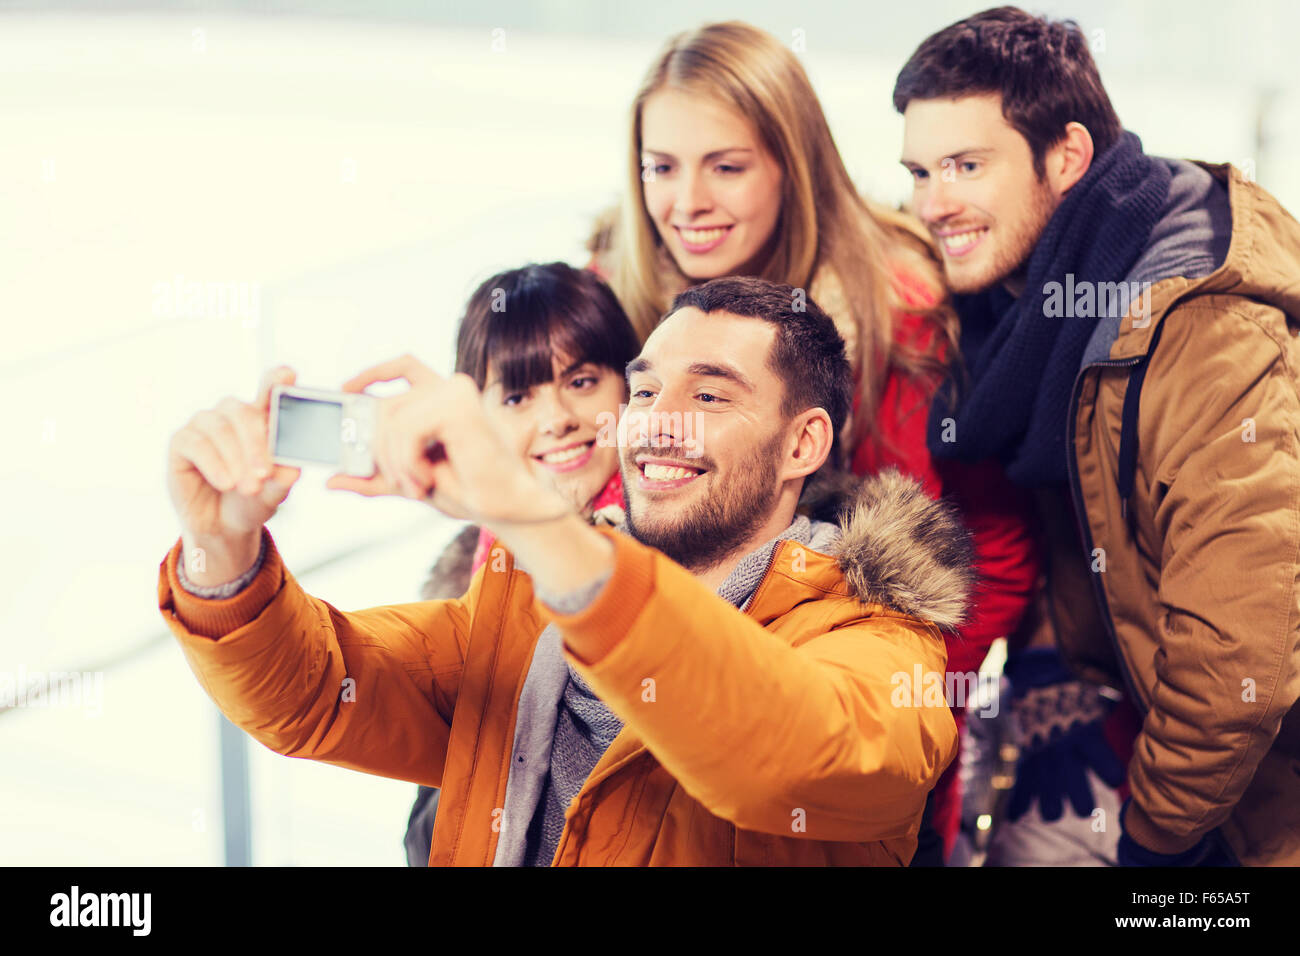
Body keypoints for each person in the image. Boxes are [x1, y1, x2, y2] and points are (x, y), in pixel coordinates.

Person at [159, 275, 973, 866]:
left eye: (712, 397)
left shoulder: (881, 644)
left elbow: (783, 752)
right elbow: (314, 694)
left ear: (804, 444)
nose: (659, 426)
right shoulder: (517, 610)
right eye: (646, 392)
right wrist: (221, 546)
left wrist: (529, 515)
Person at [590, 19, 1039, 861]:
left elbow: (995, 551)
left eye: (726, 166)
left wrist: (895, 723)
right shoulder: (611, 292)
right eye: (662, 167)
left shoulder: (893, 312)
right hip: (640, 732)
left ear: (790, 167)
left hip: (838, 742)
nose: (687, 203)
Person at [894, 6, 1300, 865]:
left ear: (1067, 156)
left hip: (1259, 792)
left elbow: (1239, 653)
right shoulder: (1031, 300)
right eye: (920, 171)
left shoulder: (1201, 328)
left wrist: (1155, 837)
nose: (935, 204)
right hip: (1160, 740)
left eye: (966, 165)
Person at [403, 262, 639, 865]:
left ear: (629, 388)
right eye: (517, 396)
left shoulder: (680, 559)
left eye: (582, 382)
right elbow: (430, 830)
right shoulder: (466, 588)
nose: (556, 418)